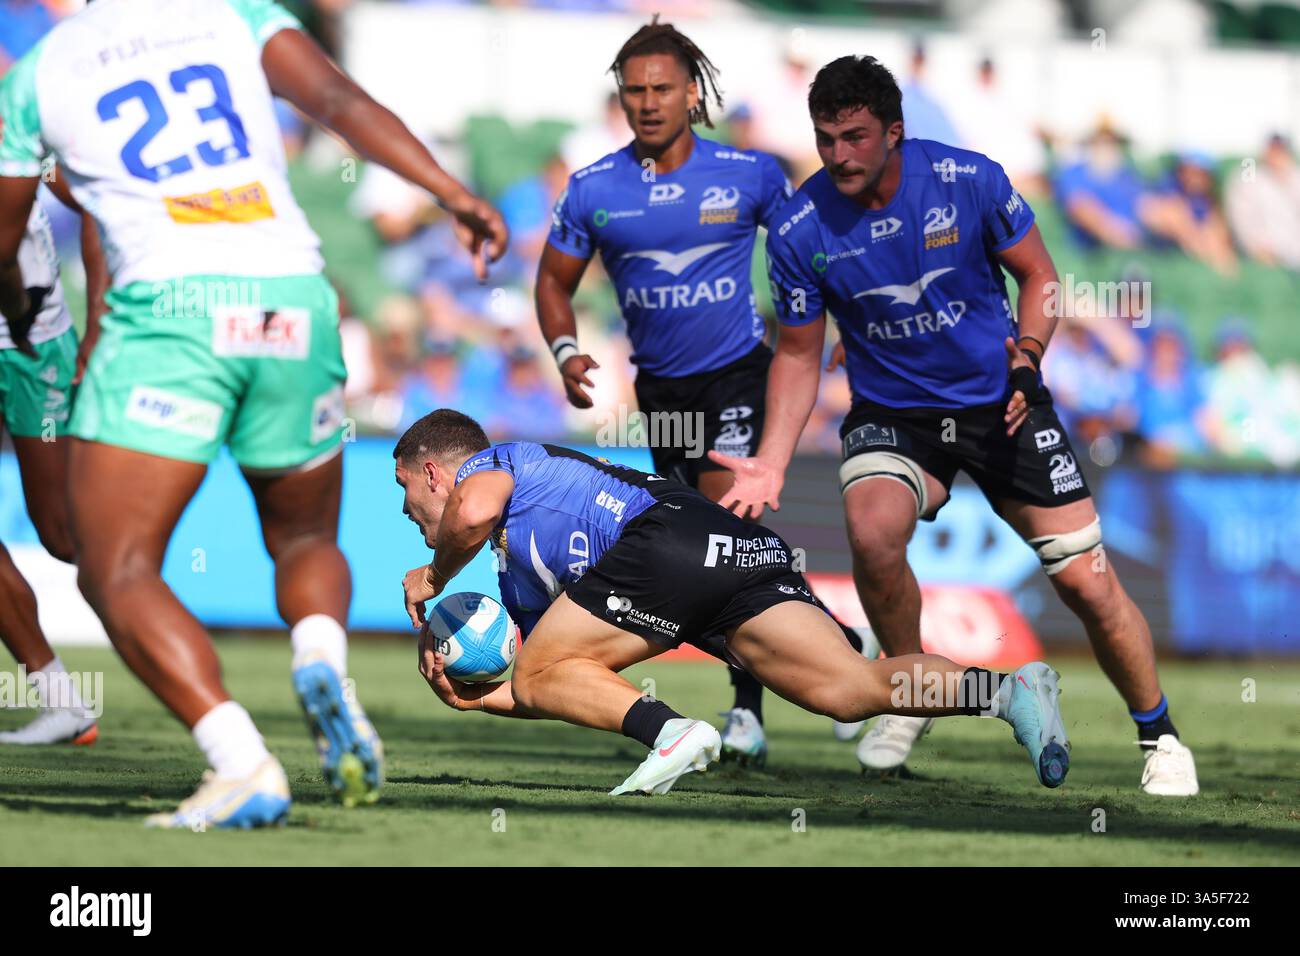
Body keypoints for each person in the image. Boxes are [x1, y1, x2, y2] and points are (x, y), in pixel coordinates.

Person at [0, 0, 508, 828]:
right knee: (305, 540)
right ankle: (319, 659)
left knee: (113, 566)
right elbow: (341, 103)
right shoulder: (236, 13)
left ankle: (241, 762)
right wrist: (450, 191)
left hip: (171, 312)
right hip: (295, 298)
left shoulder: (40, 73)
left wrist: (22, 310)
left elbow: (6, 234)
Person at [710, 55, 1198, 796]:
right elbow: (801, 354)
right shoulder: (798, 228)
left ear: (895, 132)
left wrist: (1029, 357)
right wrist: (772, 460)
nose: (838, 154)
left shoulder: (970, 181)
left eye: (855, 136)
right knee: (872, 533)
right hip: (894, 414)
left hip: (1000, 404)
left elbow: (1039, 277)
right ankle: (912, 691)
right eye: (825, 138)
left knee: (1088, 585)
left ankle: (1158, 736)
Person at [395, 408, 1071, 796]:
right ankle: (1009, 694)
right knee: (846, 689)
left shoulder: (495, 466)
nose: (405, 510)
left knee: (544, 666)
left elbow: (472, 512)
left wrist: (435, 576)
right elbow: (557, 680)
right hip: (731, 546)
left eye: (407, 490)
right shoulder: (517, 574)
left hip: (663, 537)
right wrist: (478, 696)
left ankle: (673, 733)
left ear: (434, 472)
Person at [535, 18, 866, 766]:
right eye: (634, 92)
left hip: (739, 373)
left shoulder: (748, 175)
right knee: (699, 541)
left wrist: (840, 320)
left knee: (724, 523)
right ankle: (840, 643)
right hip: (662, 394)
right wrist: (565, 349)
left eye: (662, 89)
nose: (648, 103)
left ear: (693, 93)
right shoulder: (593, 188)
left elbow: (812, 250)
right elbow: (553, 284)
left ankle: (747, 709)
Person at [0, 171, 107, 746]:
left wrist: (98, 320)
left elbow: (97, 202)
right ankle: (62, 701)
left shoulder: (16, 133)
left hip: (30, 345)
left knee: (63, 538)